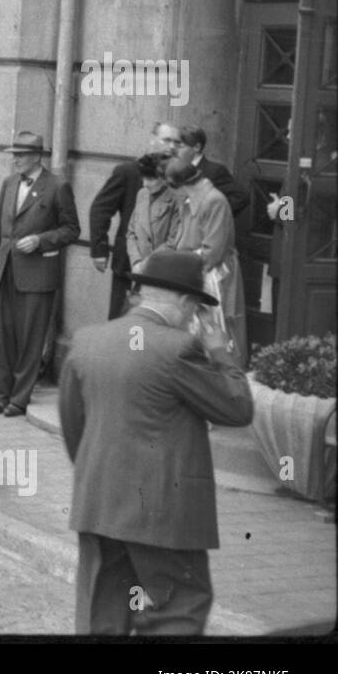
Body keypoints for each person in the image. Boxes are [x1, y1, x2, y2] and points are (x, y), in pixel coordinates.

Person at [59, 250, 253, 634]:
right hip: (163, 516)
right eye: (196, 308)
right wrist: (221, 352)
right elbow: (237, 408)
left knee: (103, 616)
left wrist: (98, 475)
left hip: (99, 505)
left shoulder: (86, 340)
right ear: (185, 302)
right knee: (176, 611)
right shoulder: (179, 348)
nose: (194, 318)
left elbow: (73, 427)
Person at [0, 131, 80, 417]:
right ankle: (1, 395)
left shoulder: (57, 186)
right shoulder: (9, 183)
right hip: (7, 271)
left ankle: (20, 398)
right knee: (6, 337)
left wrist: (40, 241)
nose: (15, 160)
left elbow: (71, 230)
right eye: (14, 154)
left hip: (38, 275)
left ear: (38, 156)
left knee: (31, 338)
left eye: (21, 155)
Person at [89, 122, 181, 319]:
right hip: (129, 262)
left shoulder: (180, 178)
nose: (172, 146)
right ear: (152, 140)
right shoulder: (128, 171)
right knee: (121, 319)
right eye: (166, 140)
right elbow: (100, 208)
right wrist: (99, 249)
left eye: (177, 142)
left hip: (165, 265)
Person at [165, 159, 248, 366]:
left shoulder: (213, 199)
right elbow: (180, 238)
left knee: (217, 326)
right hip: (194, 267)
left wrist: (283, 213)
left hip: (215, 271)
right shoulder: (189, 200)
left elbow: (289, 219)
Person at [125, 152, 181, 275]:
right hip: (138, 269)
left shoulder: (177, 200)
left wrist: (145, 265)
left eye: (150, 179)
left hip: (162, 270)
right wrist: (136, 262)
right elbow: (131, 232)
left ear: (165, 178)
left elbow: (173, 242)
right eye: (143, 178)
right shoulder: (142, 194)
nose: (145, 184)